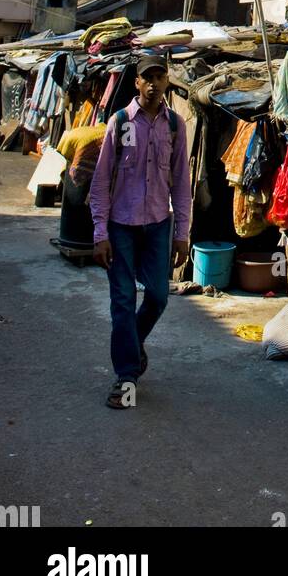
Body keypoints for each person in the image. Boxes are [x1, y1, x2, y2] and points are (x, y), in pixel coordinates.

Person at [89, 52, 191, 409]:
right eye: (147, 77)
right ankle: (126, 378)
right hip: (120, 227)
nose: (153, 83)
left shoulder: (176, 126)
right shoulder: (120, 122)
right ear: (136, 82)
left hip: (157, 228)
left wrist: (182, 231)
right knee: (122, 301)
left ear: (167, 82)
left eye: (160, 77)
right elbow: (100, 182)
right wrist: (99, 232)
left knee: (160, 296)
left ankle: (132, 342)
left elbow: (181, 183)